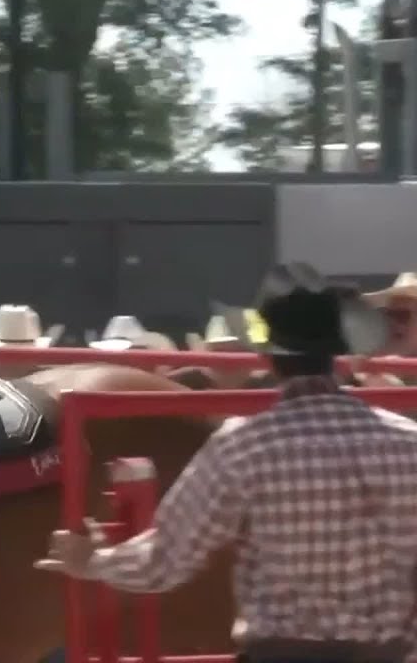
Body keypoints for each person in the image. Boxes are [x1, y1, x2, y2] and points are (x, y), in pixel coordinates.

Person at [36, 262, 417, 663]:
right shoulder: (407, 443)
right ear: (340, 351)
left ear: (269, 359)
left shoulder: (243, 446)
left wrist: (93, 561)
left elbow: (164, 560)